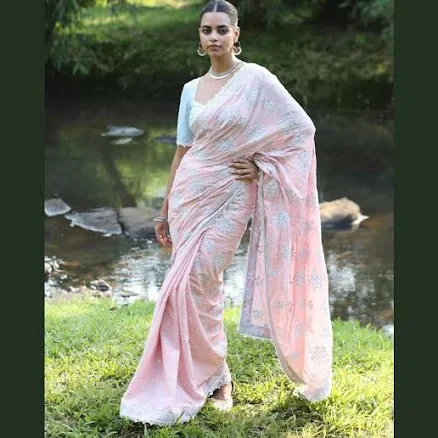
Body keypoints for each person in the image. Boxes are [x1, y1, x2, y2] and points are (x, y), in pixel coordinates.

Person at [120, 0, 333, 426]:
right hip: (189, 194)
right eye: (207, 30)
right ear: (199, 39)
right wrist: (164, 209)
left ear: (236, 34)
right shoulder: (190, 90)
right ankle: (214, 375)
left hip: (232, 193)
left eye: (222, 29)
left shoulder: (257, 80)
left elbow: (300, 131)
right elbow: (183, 150)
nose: (214, 36)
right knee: (189, 285)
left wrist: (262, 166)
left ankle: (213, 374)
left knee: (201, 278)